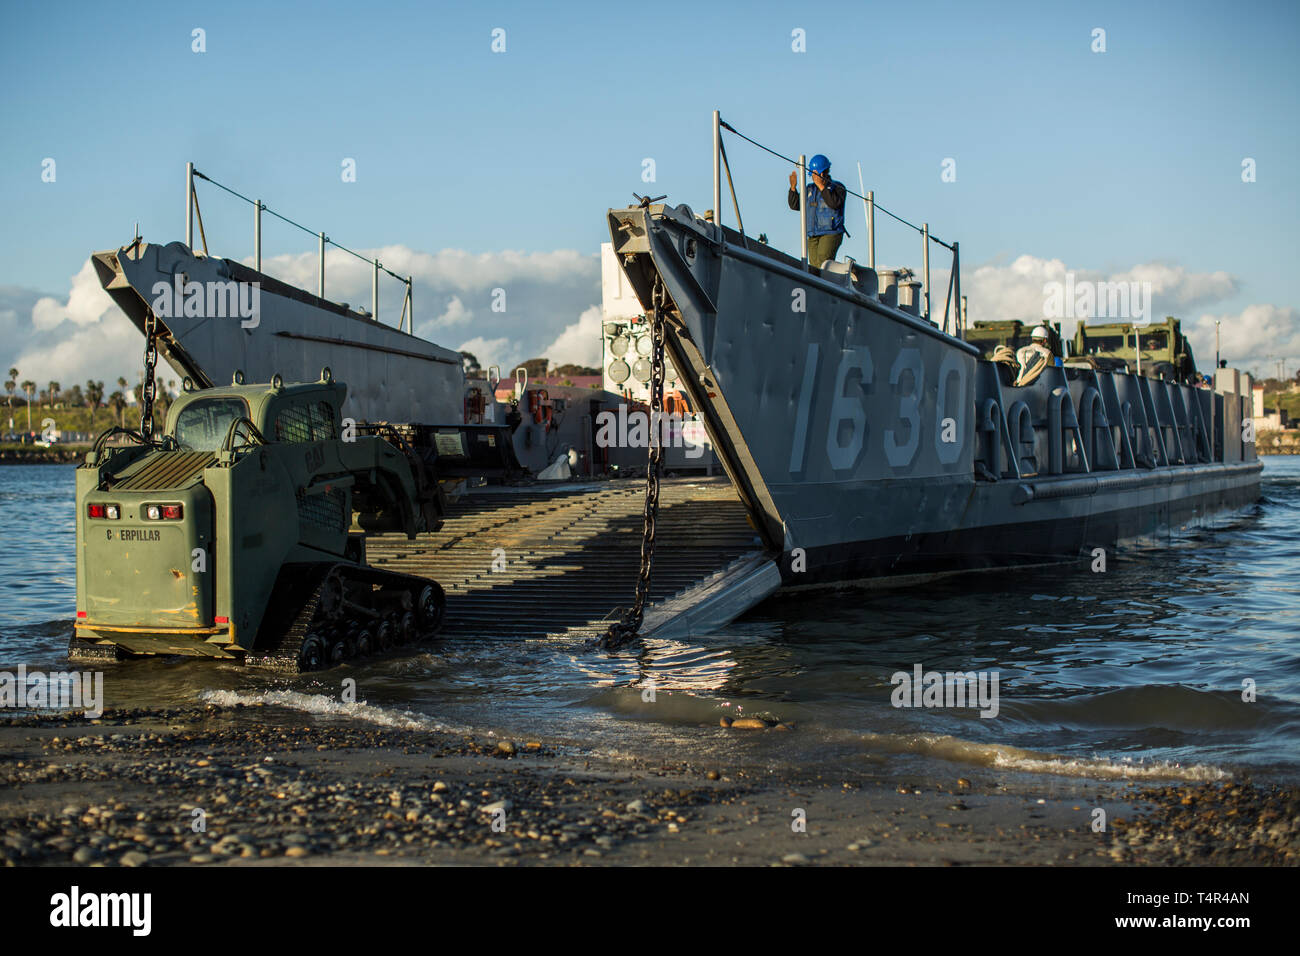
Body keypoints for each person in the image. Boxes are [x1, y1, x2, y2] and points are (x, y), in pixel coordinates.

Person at [787, 154, 847, 267]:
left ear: (823, 172)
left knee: (823, 261)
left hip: (831, 232)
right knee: (814, 267)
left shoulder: (838, 187)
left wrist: (821, 186)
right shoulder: (810, 189)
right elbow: (795, 205)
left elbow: (834, 203)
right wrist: (793, 189)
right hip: (813, 233)